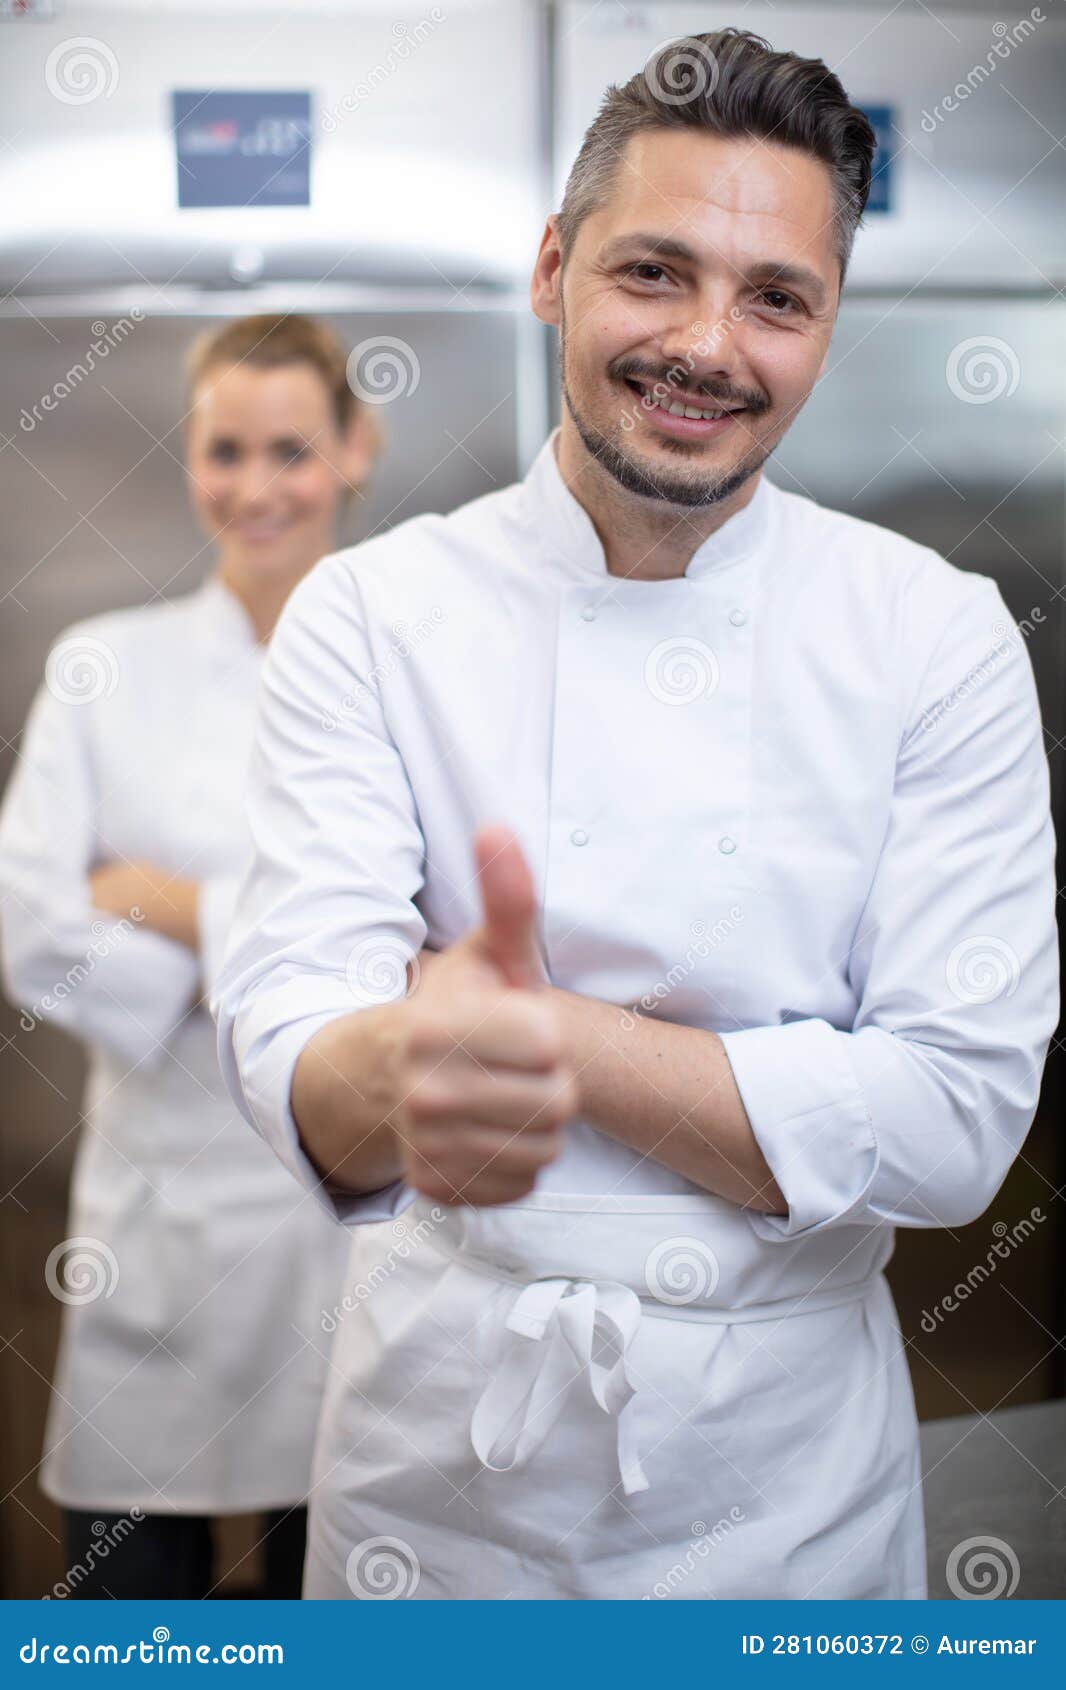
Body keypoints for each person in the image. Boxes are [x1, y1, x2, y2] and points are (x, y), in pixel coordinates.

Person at [211, 32, 1058, 1600]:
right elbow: (300, 1051)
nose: (707, 346)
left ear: (824, 325)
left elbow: (951, 1129)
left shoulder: (934, 637)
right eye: (653, 273)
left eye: (774, 298)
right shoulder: (369, 615)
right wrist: (391, 1061)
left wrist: (537, 1035)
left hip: (789, 1492)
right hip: (441, 1471)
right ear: (550, 268)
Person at [0, 313, 377, 1597]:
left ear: (354, 448)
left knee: (321, 1586)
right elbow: (31, 926)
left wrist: (163, 899)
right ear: (190, 458)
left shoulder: (407, 665)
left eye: (291, 449)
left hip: (350, 1218)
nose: (257, 486)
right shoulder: (103, 667)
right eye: (226, 450)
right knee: (130, 1595)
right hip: (160, 1217)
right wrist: (284, 946)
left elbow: (420, 950)